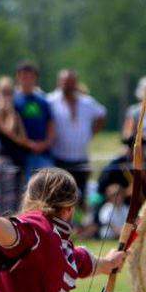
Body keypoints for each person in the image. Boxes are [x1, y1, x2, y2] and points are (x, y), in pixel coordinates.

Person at [48, 69, 107, 207]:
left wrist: (91, 133)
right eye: (64, 82)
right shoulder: (51, 101)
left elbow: (102, 113)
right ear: (59, 83)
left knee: (81, 198)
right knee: (60, 199)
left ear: (75, 83)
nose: (67, 85)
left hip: (81, 158)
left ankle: (80, 221)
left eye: (70, 82)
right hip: (59, 158)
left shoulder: (86, 102)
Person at [14, 61, 54, 180]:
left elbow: (50, 124)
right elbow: (12, 129)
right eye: (23, 76)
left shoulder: (43, 101)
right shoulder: (14, 101)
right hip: (22, 155)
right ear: (18, 77)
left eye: (30, 77)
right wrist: (28, 144)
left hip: (43, 153)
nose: (26, 80)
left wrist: (45, 143)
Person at [0, 76, 29, 170]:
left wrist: (13, 113)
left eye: (10, 93)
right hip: (3, 159)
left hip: (18, 158)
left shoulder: (15, 113)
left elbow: (23, 138)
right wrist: (10, 112)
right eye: (4, 92)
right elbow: (9, 131)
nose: (7, 96)